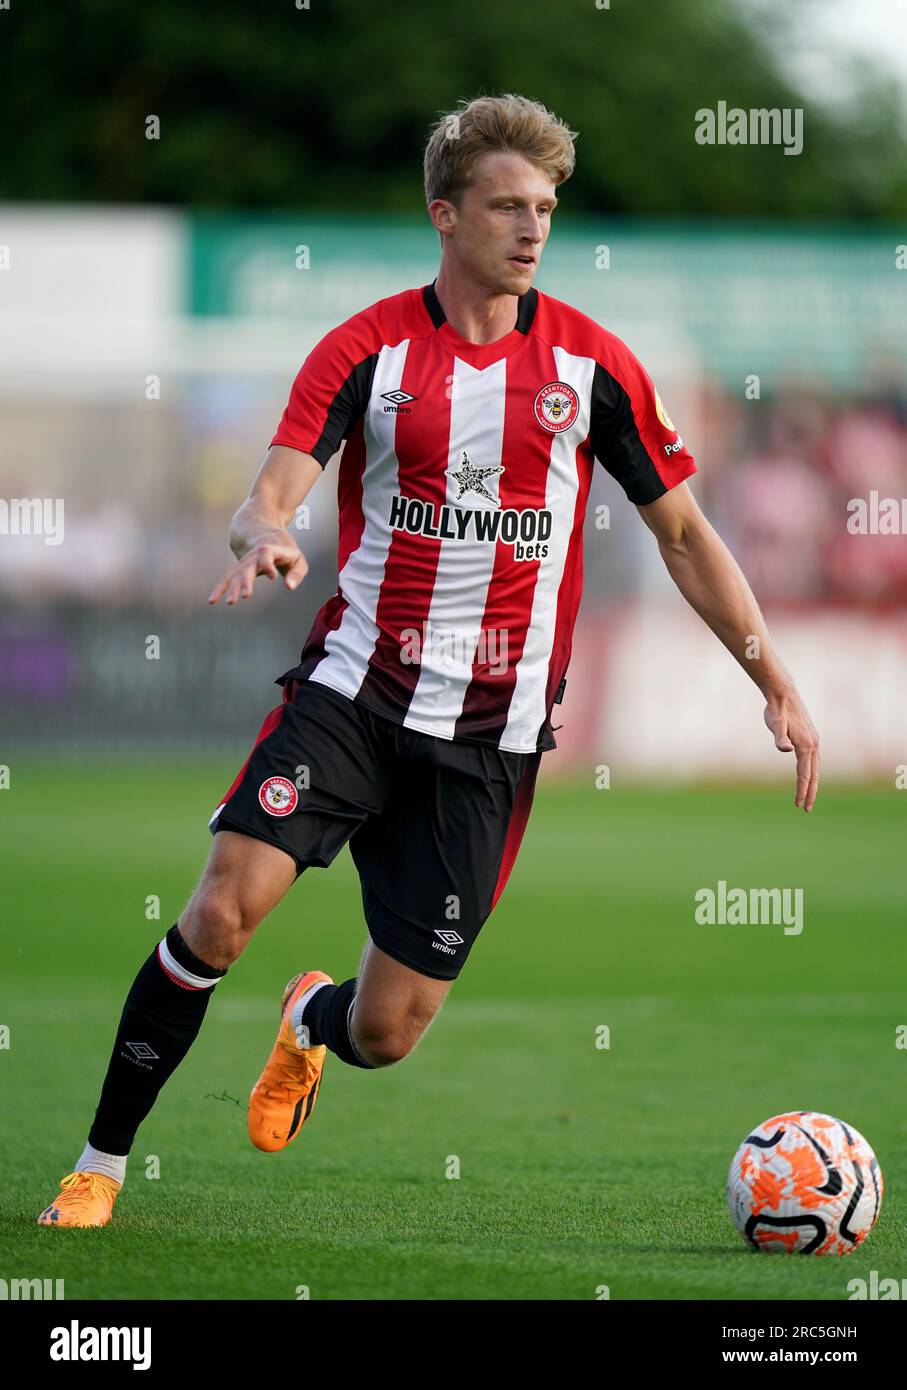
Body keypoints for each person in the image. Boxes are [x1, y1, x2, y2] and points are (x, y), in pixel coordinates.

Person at [38, 93, 819, 1228]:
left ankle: (311, 1021)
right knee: (219, 910)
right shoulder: (365, 348)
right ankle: (100, 1164)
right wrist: (258, 535)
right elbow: (273, 486)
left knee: (386, 1031)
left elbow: (687, 536)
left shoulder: (594, 369)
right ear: (444, 214)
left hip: (491, 734)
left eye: (545, 206)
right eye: (507, 203)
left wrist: (775, 681)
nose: (532, 225)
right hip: (355, 688)